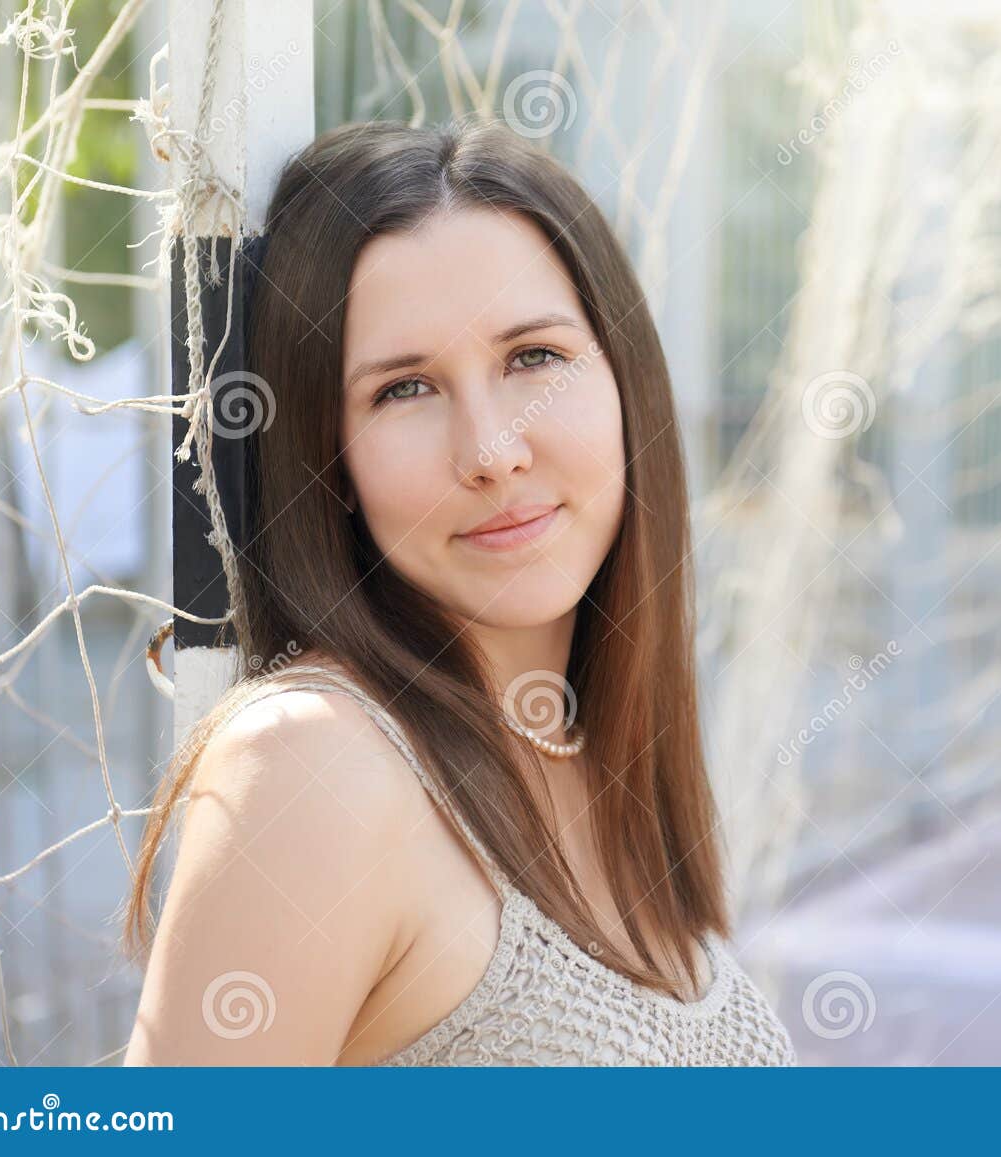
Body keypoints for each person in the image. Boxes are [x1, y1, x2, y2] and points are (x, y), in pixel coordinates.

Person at [121, 116, 796, 1066]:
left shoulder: (600, 756)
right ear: (332, 460)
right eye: (404, 389)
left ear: (625, 382)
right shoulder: (315, 764)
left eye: (534, 358)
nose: (490, 452)